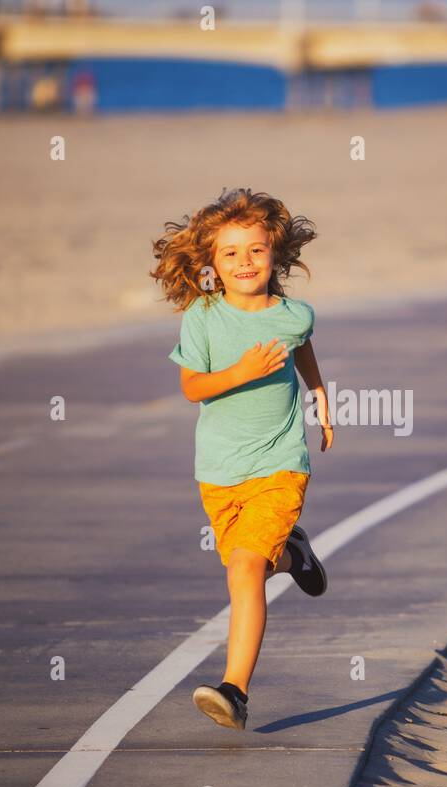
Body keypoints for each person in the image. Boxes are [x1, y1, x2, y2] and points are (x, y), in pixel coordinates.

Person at [150, 187, 334, 731]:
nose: (244, 262)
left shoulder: (294, 314)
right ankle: (294, 554)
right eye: (230, 254)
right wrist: (242, 373)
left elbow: (300, 342)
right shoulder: (203, 317)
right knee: (246, 566)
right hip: (220, 472)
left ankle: (235, 690)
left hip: (280, 463)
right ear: (211, 263)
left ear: (274, 252)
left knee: (244, 570)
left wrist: (319, 392)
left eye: (255, 250)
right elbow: (193, 388)